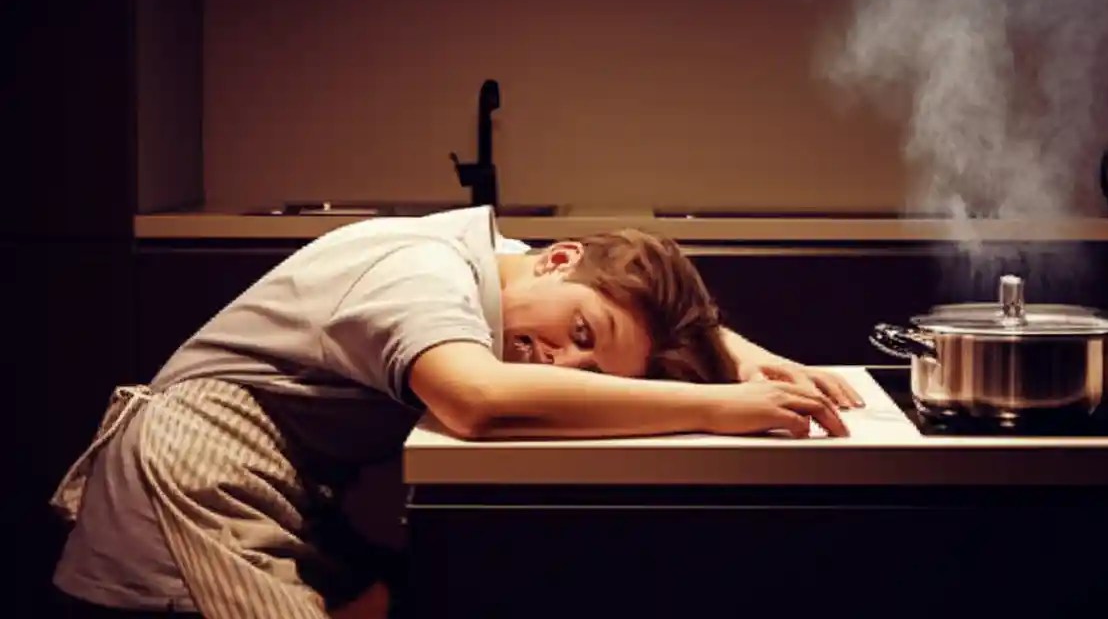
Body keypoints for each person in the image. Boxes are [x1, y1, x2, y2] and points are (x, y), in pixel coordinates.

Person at [49, 205, 862, 618]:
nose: (561, 362)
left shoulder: (506, 268)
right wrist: (717, 407)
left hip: (279, 483)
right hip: (199, 470)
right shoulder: (425, 278)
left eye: (588, 360)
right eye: (580, 333)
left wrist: (736, 353)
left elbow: (622, 300)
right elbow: (477, 400)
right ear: (558, 258)